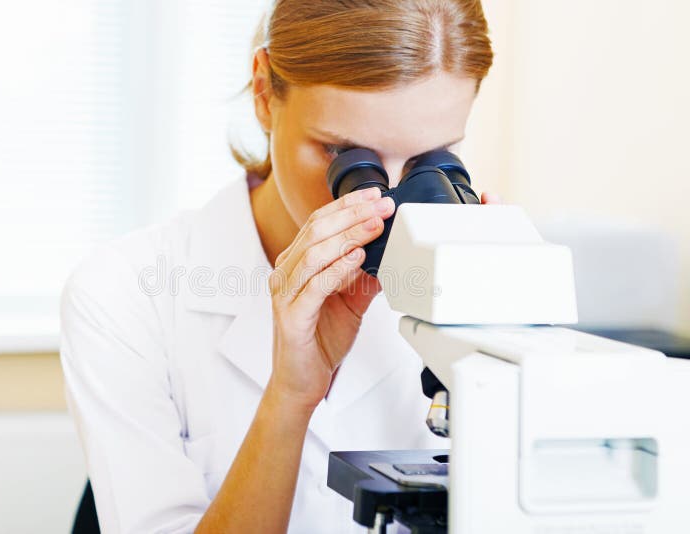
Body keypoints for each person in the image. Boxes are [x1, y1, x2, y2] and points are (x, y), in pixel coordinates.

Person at [60, 1, 496, 532]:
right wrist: (291, 395)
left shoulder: (468, 274)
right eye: (344, 154)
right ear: (265, 95)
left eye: (432, 158)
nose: (387, 201)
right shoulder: (125, 292)